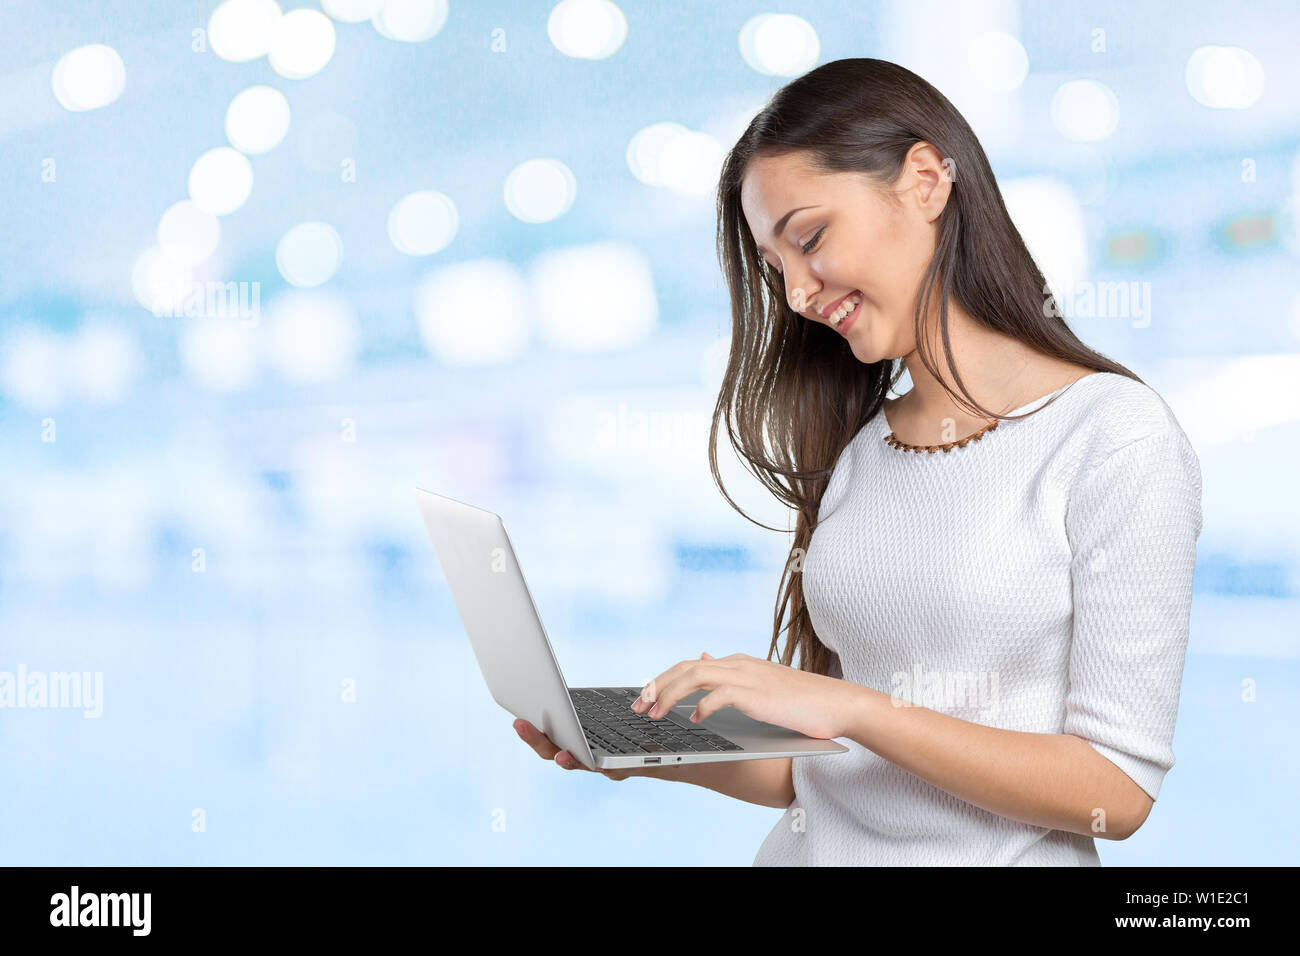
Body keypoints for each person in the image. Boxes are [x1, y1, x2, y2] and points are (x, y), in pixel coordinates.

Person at [516, 57, 1202, 866]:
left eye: (810, 239)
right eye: (777, 267)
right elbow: (827, 768)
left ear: (924, 181)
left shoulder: (1112, 436)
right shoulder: (857, 448)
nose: (799, 293)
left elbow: (1114, 793)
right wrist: (649, 737)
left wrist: (853, 706)